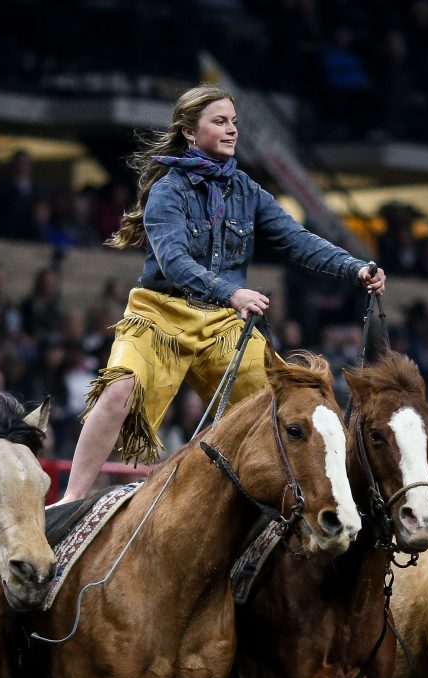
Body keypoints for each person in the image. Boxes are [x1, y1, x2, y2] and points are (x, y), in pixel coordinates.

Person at [59, 84, 385, 503]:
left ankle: (330, 503)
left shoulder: (247, 190)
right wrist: (231, 292)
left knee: (295, 403)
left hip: (224, 325)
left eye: (234, 122)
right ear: (190, 133)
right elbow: (174, 261)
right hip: (161, 313)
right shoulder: (168, 190)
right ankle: (70, 501)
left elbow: (297, 239)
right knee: (120, 390)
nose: (232, 130)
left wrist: (355, 266)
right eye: (220, 122)